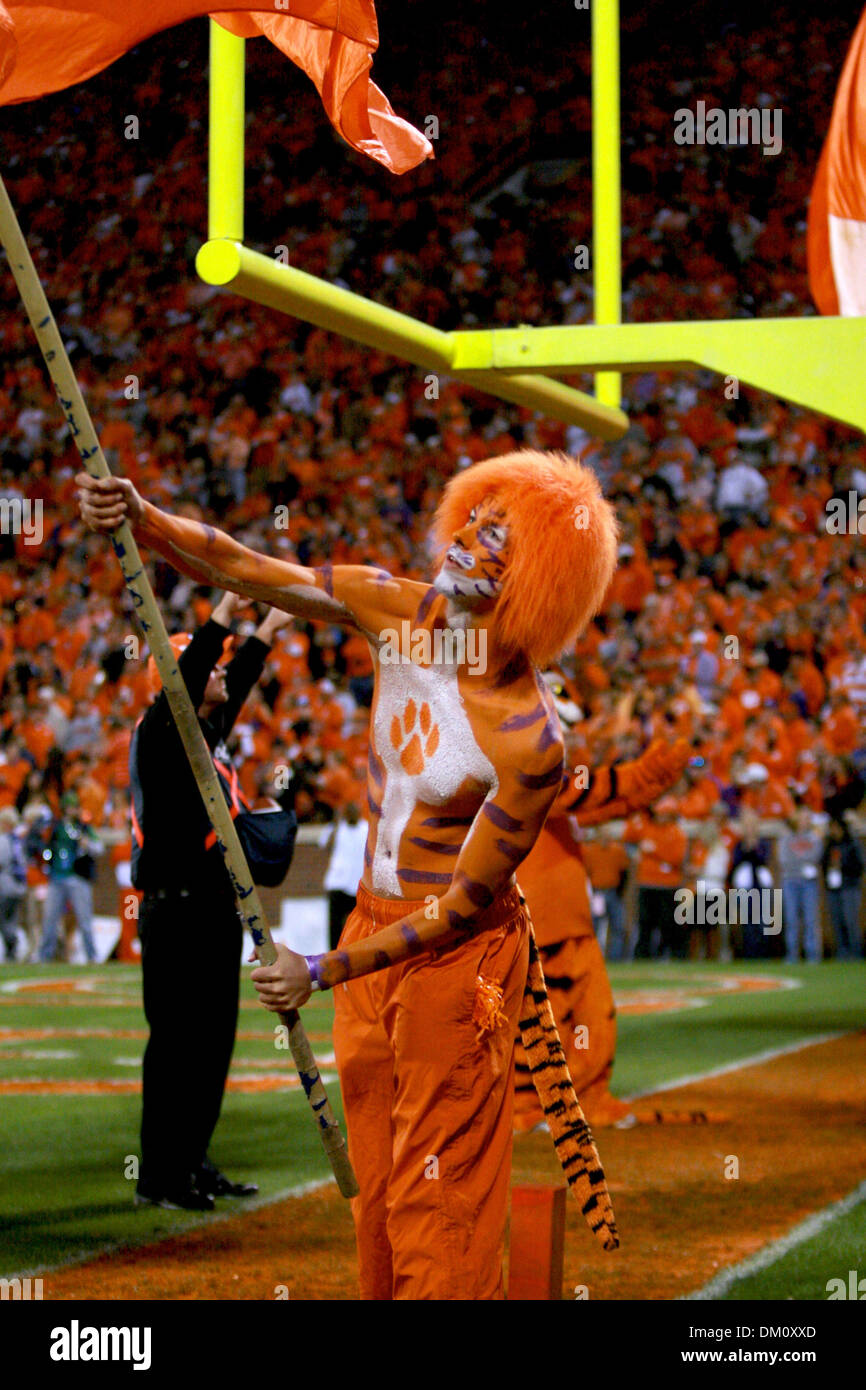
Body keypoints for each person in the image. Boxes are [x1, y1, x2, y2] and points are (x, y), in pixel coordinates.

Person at [76, 448, 620, 1299]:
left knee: (436, 1191)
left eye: (500, 541)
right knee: (375, 1182)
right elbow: (247, 566)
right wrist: (144, 518)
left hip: (457, 959)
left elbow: (464, 907)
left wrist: (322, 969)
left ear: (537, 582)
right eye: (475, 519)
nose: (469, 541)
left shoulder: (529, 738)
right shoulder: (394, 610)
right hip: (372, 923)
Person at [129, 592, 294, 1211]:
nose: (222, 672)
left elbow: (236, 678)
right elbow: (195, 671)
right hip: (176, 910)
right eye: (212, 668)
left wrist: (270, 627)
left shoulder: (201, 733)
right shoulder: (162, 729)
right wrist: (224, 609)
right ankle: (161, 1175)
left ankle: (190, 1158)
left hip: (211, 909)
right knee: (177, 1044)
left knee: (211, 1044)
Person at [35, 790, 102, 963]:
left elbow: (98, 848)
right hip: (56, 877)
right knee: (49, 919)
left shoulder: (83, 828)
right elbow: (46, 849)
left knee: (84, 918)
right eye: (69, 807)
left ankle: (92, 955)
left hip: (77, 877)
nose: (72, 810)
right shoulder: (56, 828)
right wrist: (47, 860)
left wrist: (87, 844)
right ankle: (45, 956)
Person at [778, 800, 824, 963]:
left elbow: (816, 855)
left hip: (808, 882)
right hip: (790, 881)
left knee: (811, 919)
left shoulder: (814, 837)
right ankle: (792, 955)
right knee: (791, 919)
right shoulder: (786, 838)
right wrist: (803, 861)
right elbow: (784, 859)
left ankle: (812, 955)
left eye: (807, 817)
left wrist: (799, 860)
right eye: (802, 817)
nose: (804, 820)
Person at [319, 802, 368, 950]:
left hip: (358, 884)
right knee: (334, 924)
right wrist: (336, 823)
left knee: (358, 924)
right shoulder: (336, 828)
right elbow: (325, 845)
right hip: (338, 883)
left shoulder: (365, 828)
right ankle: (333, 953)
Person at [821, 818, 864, 960]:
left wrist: (843, 866)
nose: (834, 831)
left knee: (850, 920)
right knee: (837, 920)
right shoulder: (830, 845)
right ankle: (842, 951)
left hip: (849, 887)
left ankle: (855, 951)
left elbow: (859, 866)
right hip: (833, 888)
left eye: (836, 828)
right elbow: (823, 863)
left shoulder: (852, 844)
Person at [0, 807, 27, 961]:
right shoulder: (17, 840)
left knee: (4, 919)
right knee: (11, 919)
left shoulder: (4, 840)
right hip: (18, 886)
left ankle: (12, 947)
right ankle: (12, 949)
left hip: (6, 885)